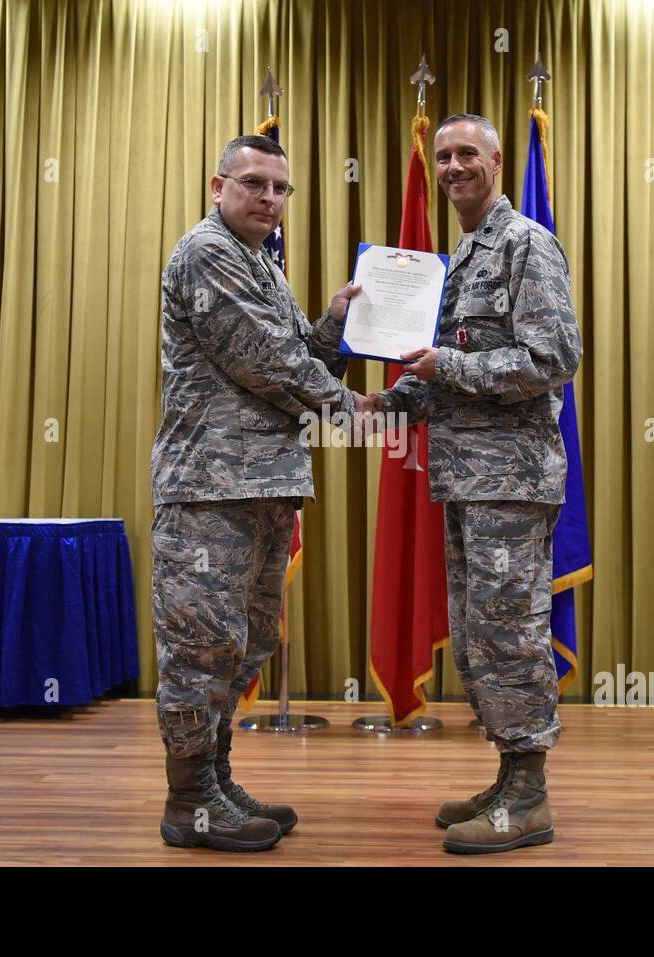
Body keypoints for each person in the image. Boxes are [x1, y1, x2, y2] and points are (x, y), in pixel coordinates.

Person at [152, 134, 372, 850]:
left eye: (280, 189)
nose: (269, 200)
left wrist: (336, 319)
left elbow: (297, 352)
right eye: (254, 184)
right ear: (217, 187)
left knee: (242, 644)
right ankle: (189, 801)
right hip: (209, 488)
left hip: (266, 483)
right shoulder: (206, 252)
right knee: (200, 645)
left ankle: (215, 777)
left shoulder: (262, 264)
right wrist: (347, 408)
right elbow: (263, 359)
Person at [372, 114, 582, 853]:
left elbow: (555, 355)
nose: (455, 165)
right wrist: (385, 404)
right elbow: (442, 375)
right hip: (465, 480)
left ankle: (531, 793)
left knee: (512, 632)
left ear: (496, 161)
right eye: (446, 155)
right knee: (480, 635)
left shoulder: (526, 244)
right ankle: (507, 773)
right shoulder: (457, 259)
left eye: (469, 154)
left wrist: (446, 369)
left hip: (512, 482)